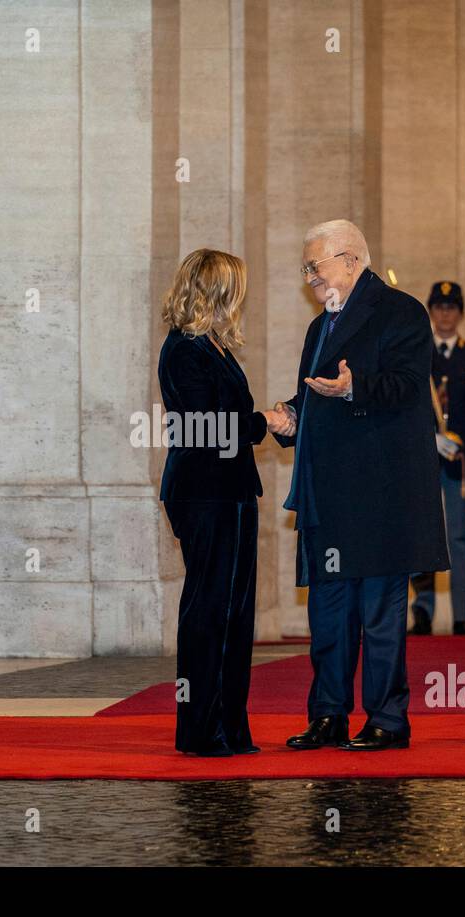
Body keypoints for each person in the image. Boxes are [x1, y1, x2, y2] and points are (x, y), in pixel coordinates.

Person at [273, 220, 448, 751]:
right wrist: (291, 416)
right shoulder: (318, 326)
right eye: (306, 268)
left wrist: (356, 389)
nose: (309, 278)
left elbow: (408, 388)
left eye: (315, 266)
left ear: (351, 260)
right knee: (328, 614)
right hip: (328, 495)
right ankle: (328, 715)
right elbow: (316, 393)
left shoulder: (402, 312)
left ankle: (388, 719)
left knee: (379, 613)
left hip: (380, 495)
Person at [157, 248, 293, 756]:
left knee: (235, 613)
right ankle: (202, 731)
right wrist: (266, 422)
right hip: (202, 492)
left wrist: (270, 421)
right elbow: (209, 429)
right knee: (209, 609)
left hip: (231, 491)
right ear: (213, 291)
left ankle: (231, 728)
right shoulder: (183, 350)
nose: (240, 299)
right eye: (234, 289)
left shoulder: (212, 346)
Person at [410, 280, 465, 636]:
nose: (446, 313)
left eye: (452, 307)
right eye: (440, 306)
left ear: (460, 313)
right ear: (431, 312)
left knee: (460, 538)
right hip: (422, 458)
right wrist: (428, 438)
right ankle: (423, 613)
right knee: (420, 536)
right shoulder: (416, 353)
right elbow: (408, 407)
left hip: (463, 464)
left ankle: (462, 616)